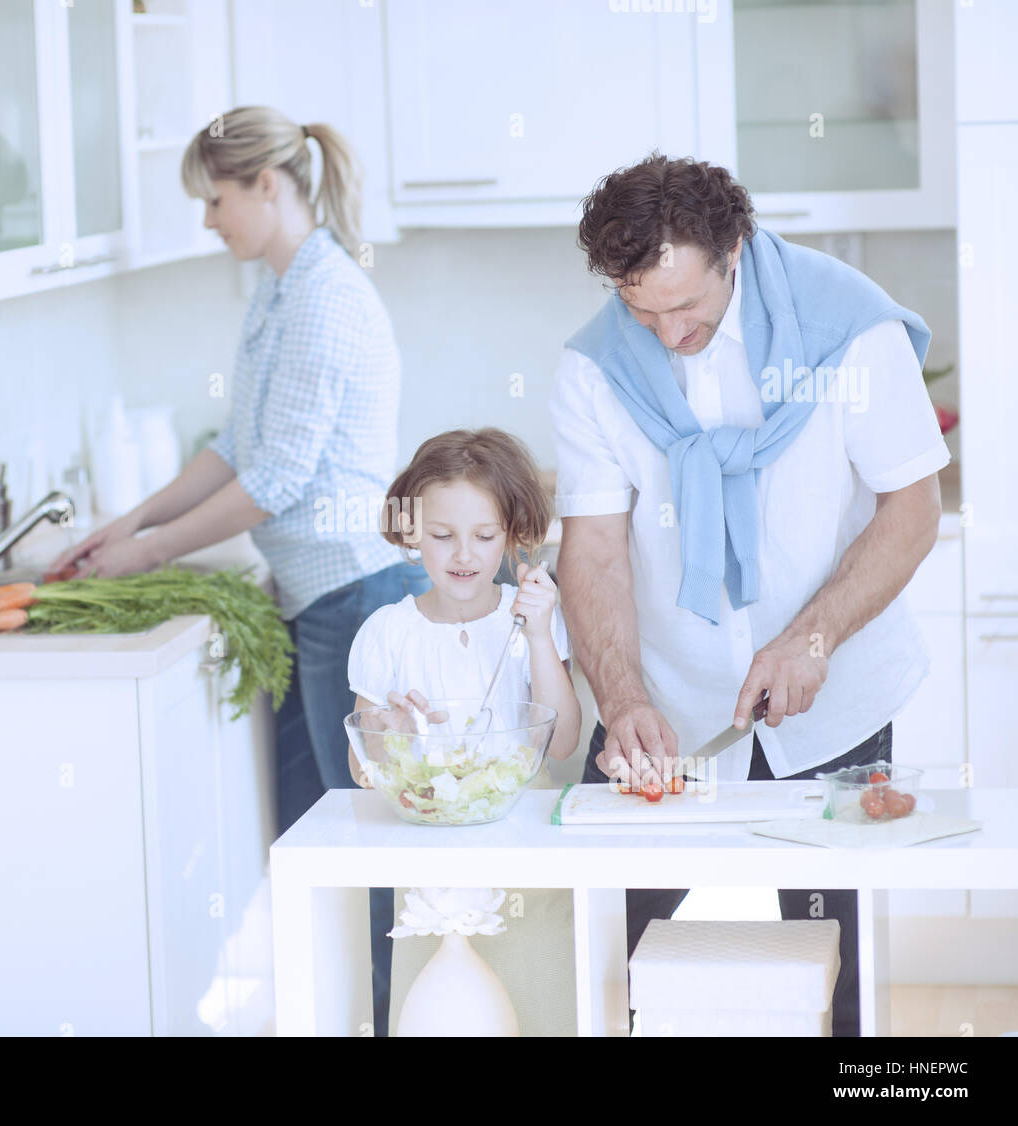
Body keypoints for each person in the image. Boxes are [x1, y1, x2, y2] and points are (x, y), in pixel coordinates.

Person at [48, 106, 429, 1036]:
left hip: (354, 593)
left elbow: (278, 479)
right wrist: (127, 522)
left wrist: (148, 552)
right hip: (315, 596)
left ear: (268, 186)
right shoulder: (277, 288)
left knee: (356, 838)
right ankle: (331, 1016)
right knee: (310, 837)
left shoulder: (327, 297)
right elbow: (235, 447)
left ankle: (380, 1018)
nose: (209, 221)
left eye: (214, 199)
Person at [551, 152, 948, 1036]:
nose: (665, 334)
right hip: (667, 702)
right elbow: (595, 551)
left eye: (686, 307)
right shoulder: (593, 368)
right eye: (638, 309)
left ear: (735, 249)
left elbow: (912, 510)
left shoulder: (846, 326)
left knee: (838, 960)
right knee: (605, 949)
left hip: (836, 691)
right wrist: (621, 700)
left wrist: (811, 639)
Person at [347, 428, 581, 772]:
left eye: (484, 536)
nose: (464, 555)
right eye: (443, 536)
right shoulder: (387, 631)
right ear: (411, 530)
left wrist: (540, 637)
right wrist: (390, 739)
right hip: (425, 817)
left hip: (521, 817)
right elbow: (359, 769)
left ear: (510, 533)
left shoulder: (533, 621)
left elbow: (562, 746)